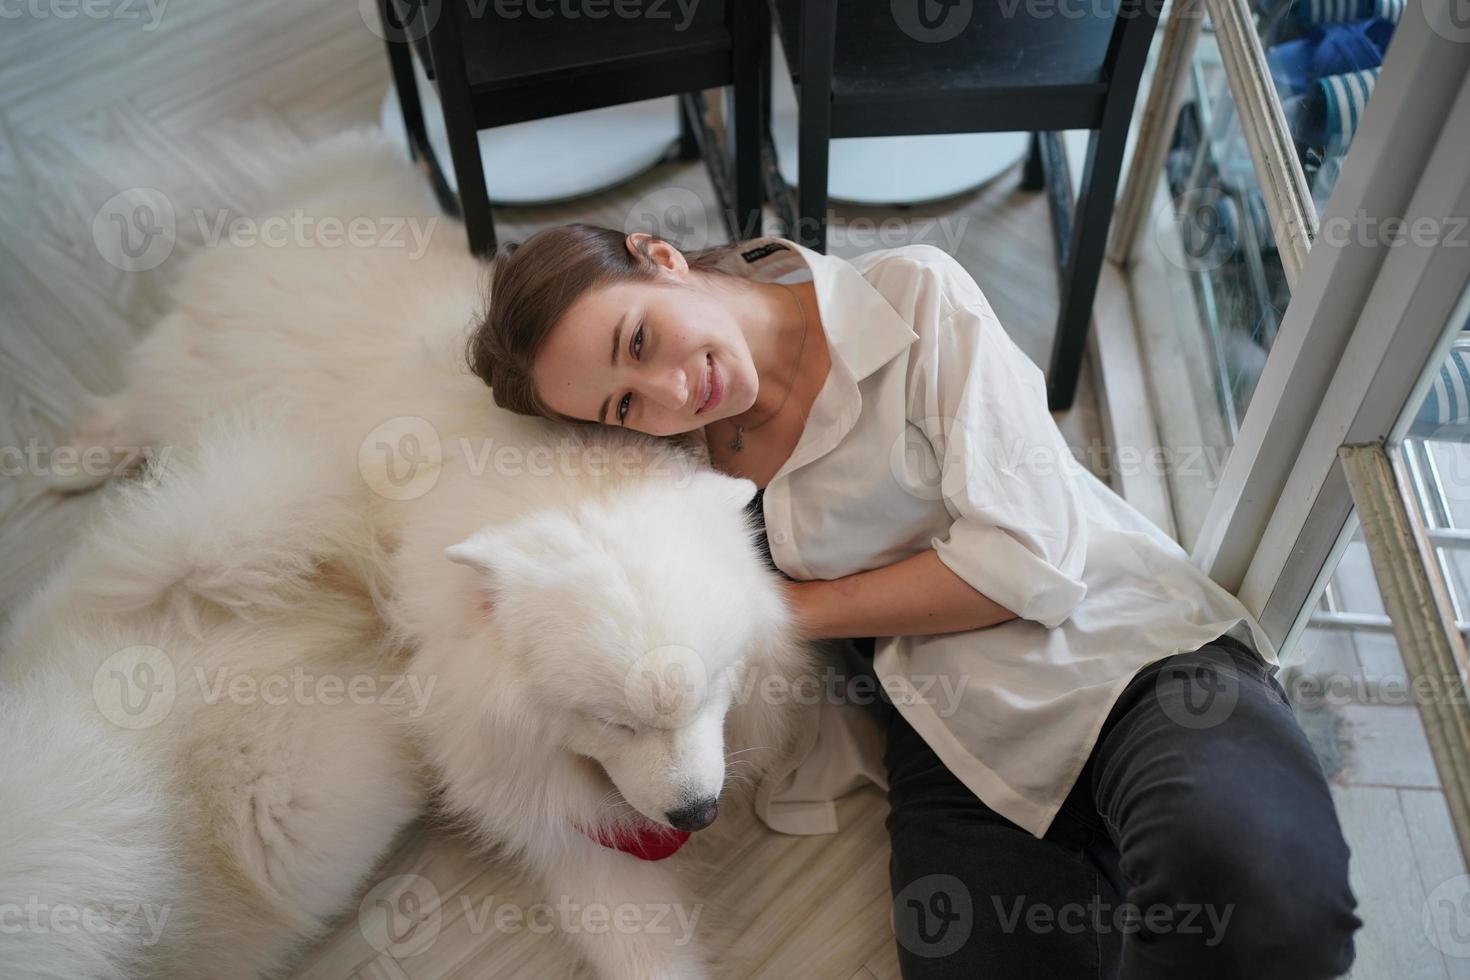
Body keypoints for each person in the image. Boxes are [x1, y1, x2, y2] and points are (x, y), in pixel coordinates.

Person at [464, 223, 1363, 978]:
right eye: (624, 406)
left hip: (1131, 650)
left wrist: (775, 611)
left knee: (1270, 904)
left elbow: (1032, 561)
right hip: (955, 741)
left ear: (660, 257)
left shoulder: (914, 296)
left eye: (637, 341)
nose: (668, 392)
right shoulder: (680, 463)